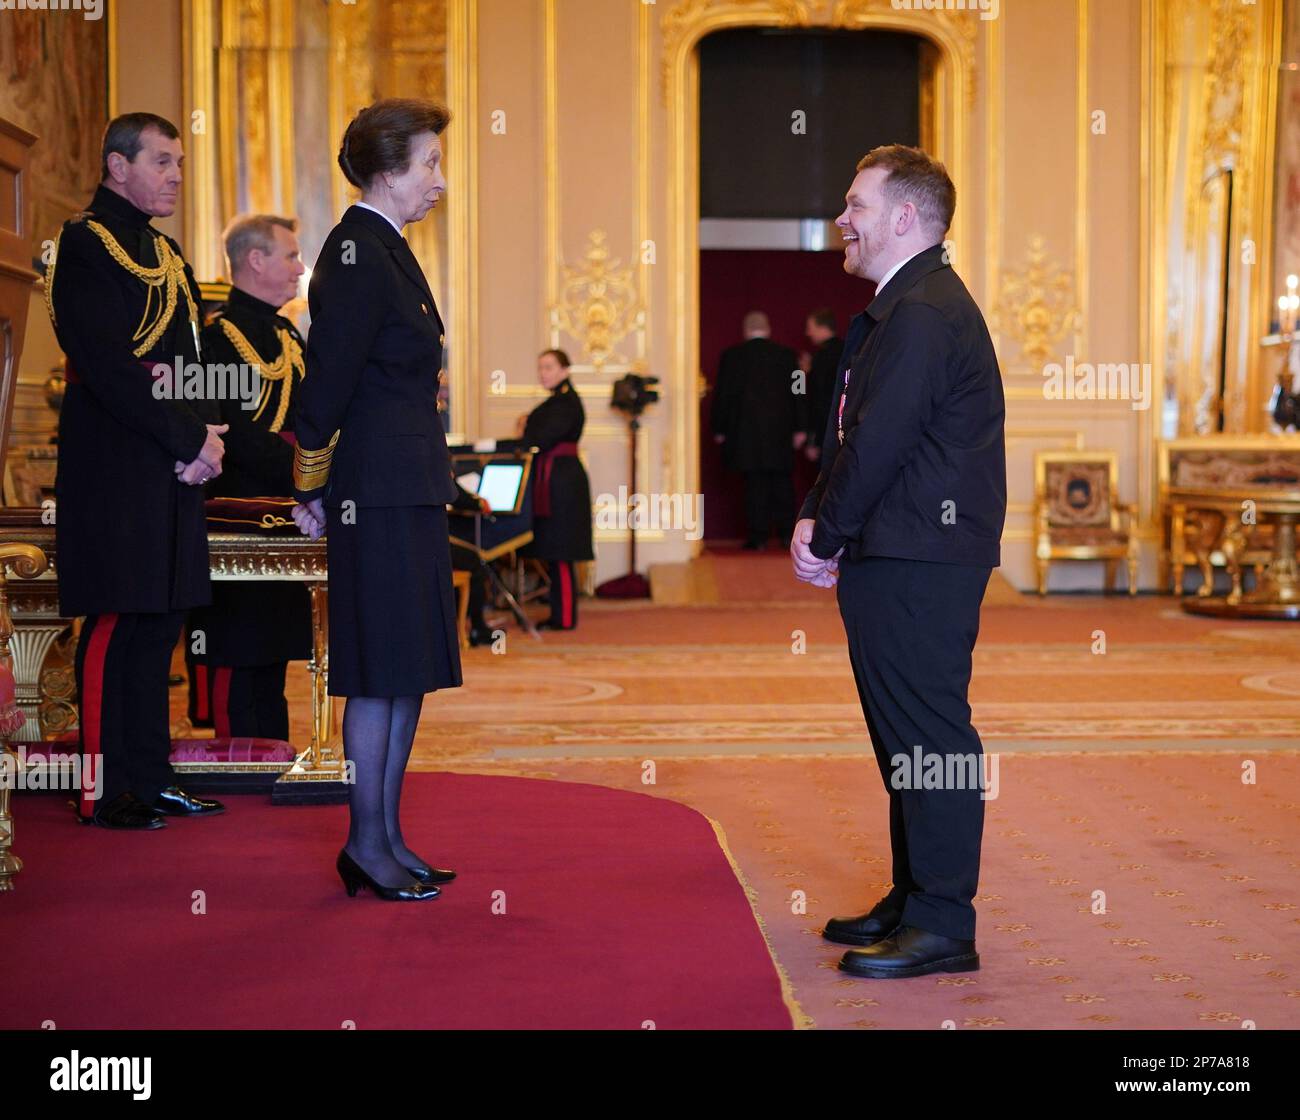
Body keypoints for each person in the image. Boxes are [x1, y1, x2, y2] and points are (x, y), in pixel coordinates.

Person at [791, 145, 1006, 979]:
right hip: (903, 546)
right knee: (902, 737)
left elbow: (879, 443)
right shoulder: (904, 304)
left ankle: (945, 922)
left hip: (922, 553)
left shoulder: (921, 311)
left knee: (931, 735)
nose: (844, 220)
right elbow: (858, 430)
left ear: (906, 217)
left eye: (857, 205)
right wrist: (820, 516)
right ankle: (915, 898)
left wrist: (828, 531)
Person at [291, 98, 460, 902]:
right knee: (379, 669)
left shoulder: (387, 248)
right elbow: (325, 379)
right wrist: (312, 485)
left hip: (407, 486)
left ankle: (389, 835)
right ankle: (365, 844)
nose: (438, 180)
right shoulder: (356, 250)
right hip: (376, 492)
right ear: (388, 169)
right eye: (429, 163)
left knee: (407, 668)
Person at [46, 111, 228, 829]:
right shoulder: (84, 244)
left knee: (162, 624)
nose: (176, 175)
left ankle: (151, 777)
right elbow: (111, 368)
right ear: (117, 166)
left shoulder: (166, 251)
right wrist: (188, 441)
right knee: (119, 621)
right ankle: (104, 786)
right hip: (119, 463)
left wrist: (209, 434)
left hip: (174, 463)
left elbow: (188, 360)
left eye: (180, 162)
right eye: (161, 161)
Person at [187, 214, 313, 739]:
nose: (300, 268)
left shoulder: (286, 333)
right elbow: (224, 430)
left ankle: (274, 750)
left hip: (287, 510)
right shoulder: (217, 338)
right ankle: (233, 755)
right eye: (290, 256)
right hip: (234, 513)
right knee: (238, 645)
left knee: (276, 646)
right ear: (255, 260)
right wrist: (301, 469)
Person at [711, 311, 805, 549]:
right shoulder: (788, 356)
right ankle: (786, 534)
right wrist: (801, 426)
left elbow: (721, 395)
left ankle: (758, 537)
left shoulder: (731, 357)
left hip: (745, 434)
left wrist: (719, 428)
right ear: (768, 329)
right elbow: (800, 392)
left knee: (754, 486)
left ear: (745, 330)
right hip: (781, 433)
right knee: (783, 483)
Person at [518, 349, 594, 630]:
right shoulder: (558, 402)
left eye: (549, 367)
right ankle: (559, 615)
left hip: (562, 482)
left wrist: (528, 428)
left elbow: (539, 436)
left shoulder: (566, 404)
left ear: (565, 370)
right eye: (540, 368)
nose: (543, 373)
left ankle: (563, 619)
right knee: (554, 549)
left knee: (561, 550)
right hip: (555, 478)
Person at [802, 308, 843, 461]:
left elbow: (814, 399)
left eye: (810, 328)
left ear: (822, 327)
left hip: (825, 431)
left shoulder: (820, 358)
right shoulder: (848, 349)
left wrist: (812, 439)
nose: (808, 333)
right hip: (848, 430)